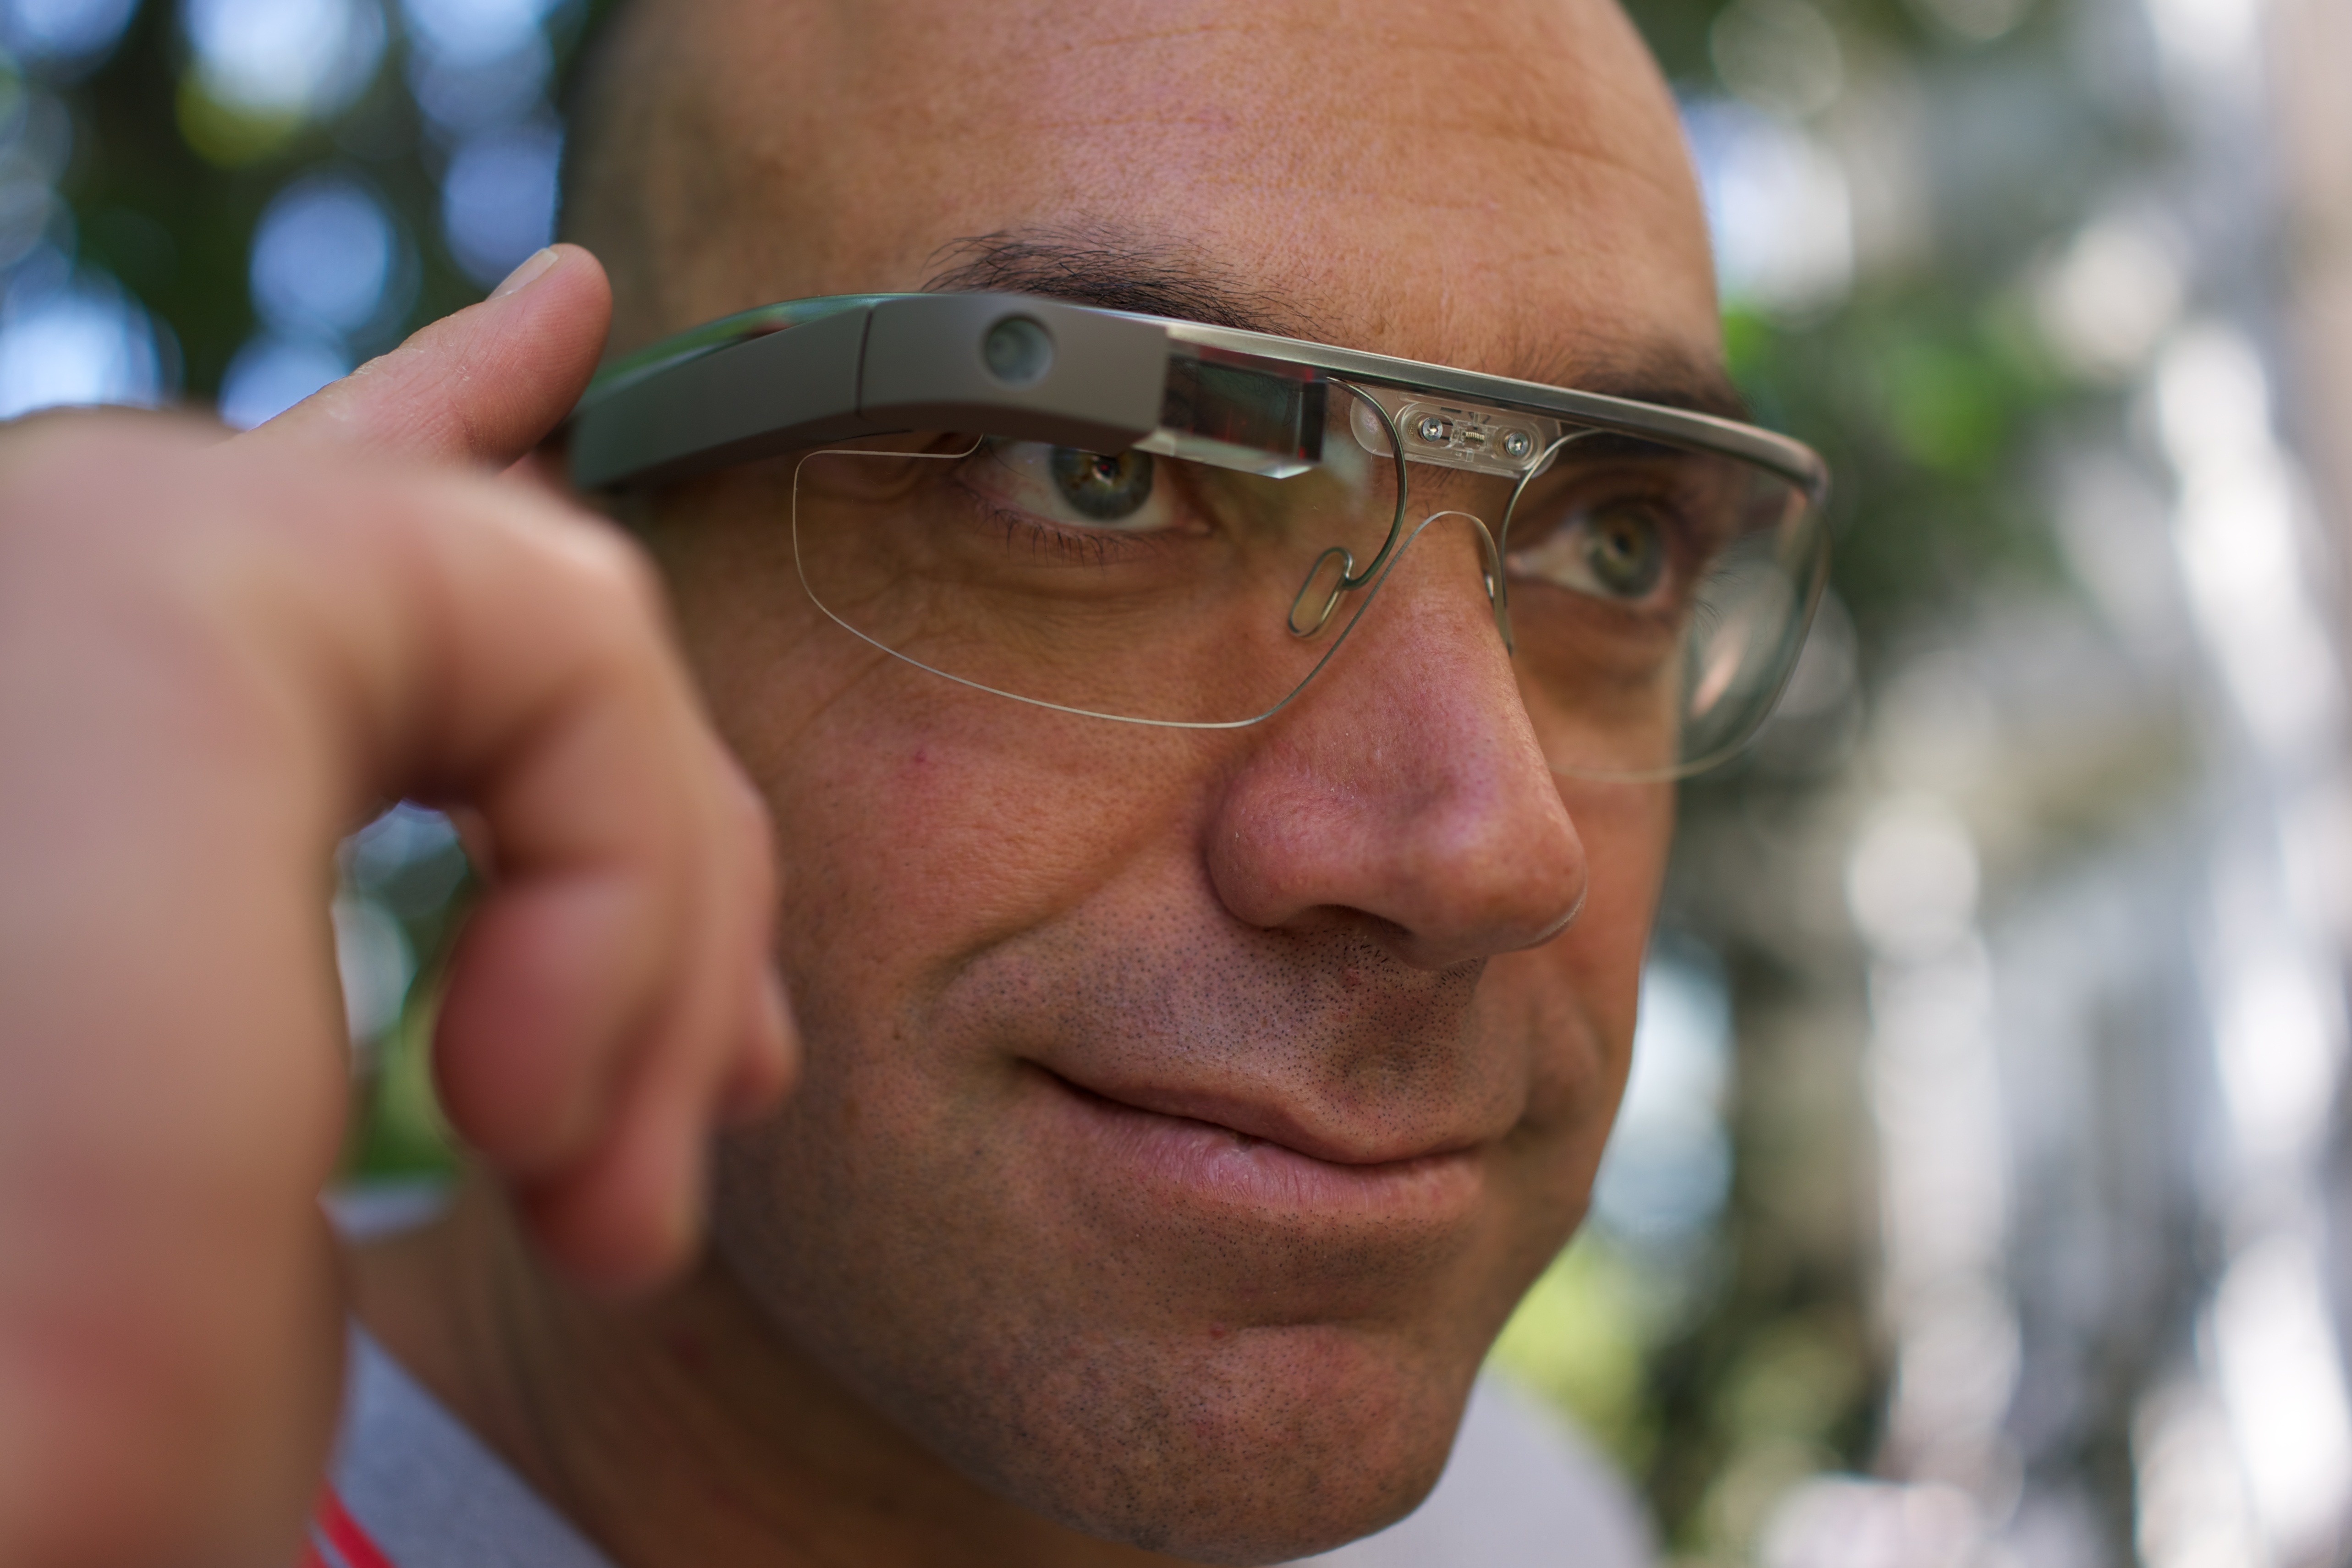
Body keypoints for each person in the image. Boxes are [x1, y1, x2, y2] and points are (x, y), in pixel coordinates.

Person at [0, 0, 1827, 1563]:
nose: (1487, 847)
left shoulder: (1529, 1523)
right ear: (523, 641)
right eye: (1088, 469)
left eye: (1617, 539)